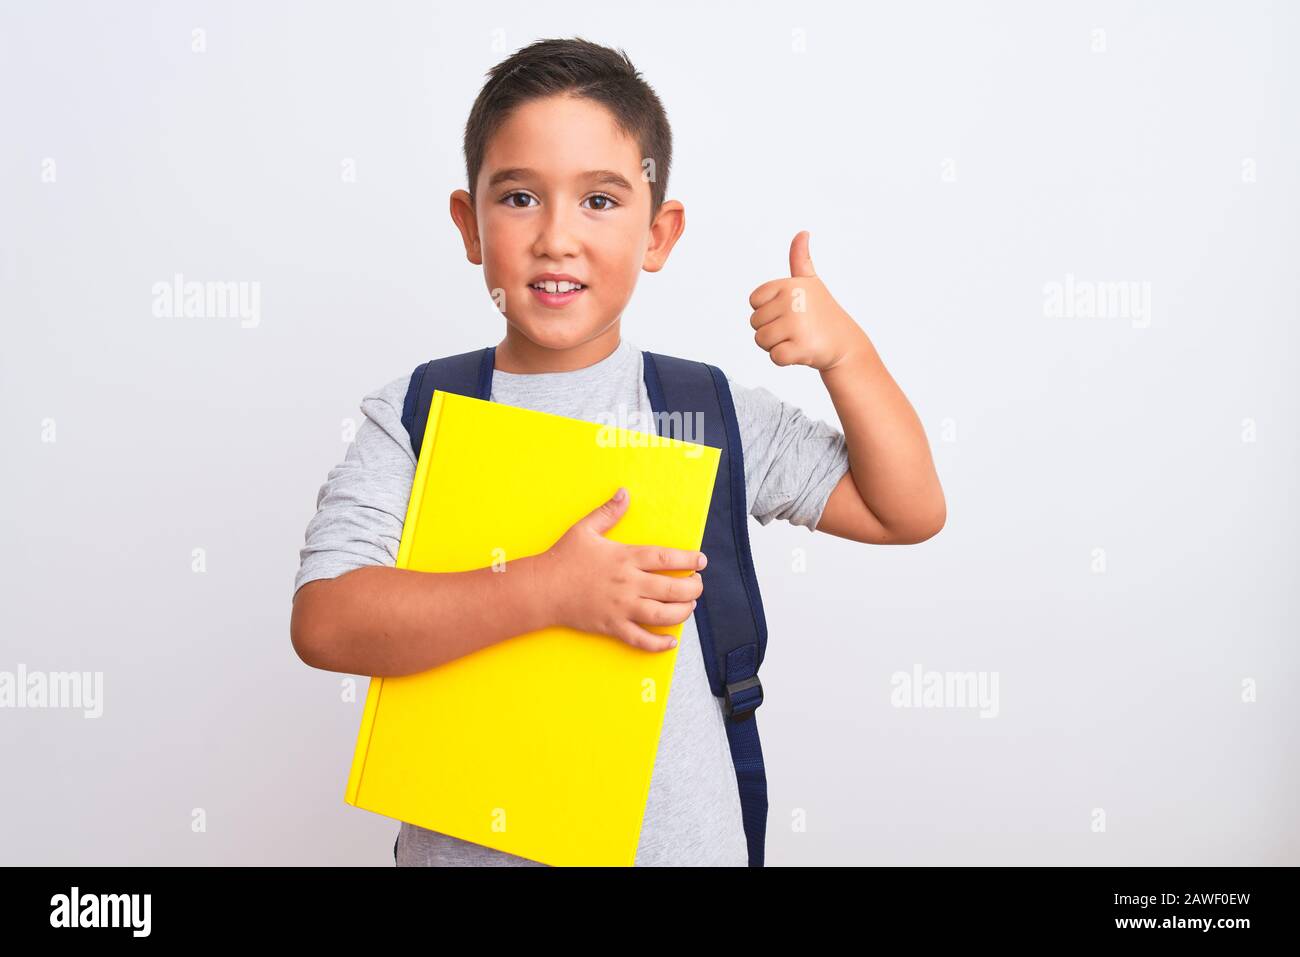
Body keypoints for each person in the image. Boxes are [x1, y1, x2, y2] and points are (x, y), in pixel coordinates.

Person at [290, 36, 946, 866]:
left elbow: (908, 510)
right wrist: (545, 589)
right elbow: (326, 621)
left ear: (658, 233)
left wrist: (848, 358)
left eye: (600, 201)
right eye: (520, 196)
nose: (557, 237)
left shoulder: (703, 410)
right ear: (469, 224)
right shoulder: (418, 415)